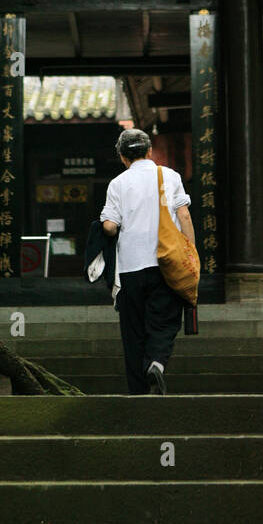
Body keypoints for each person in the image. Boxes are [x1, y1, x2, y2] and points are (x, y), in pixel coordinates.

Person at [100, 128, 194, 395]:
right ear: (150, 151)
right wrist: (191, 253)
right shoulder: (170, 176)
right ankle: (156, 362)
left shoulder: (117, 183)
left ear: (122, 156)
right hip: (166, 262)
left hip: (130, 267)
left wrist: (104, 229)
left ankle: (138, 393)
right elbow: (184, 217)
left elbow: (109, 226)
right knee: (164, 320)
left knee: (133, 331)